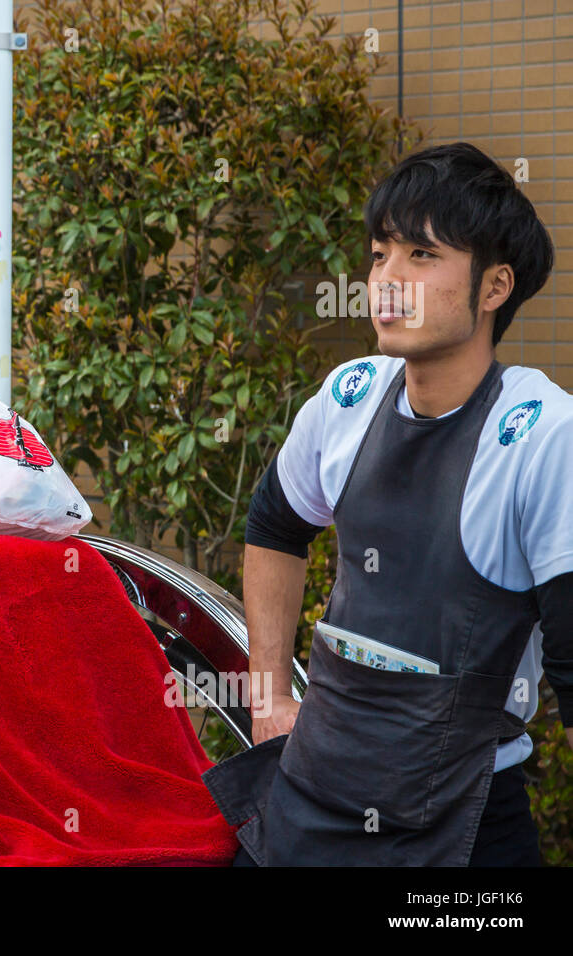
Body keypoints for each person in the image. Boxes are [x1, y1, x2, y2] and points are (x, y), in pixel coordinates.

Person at [203, 142, 570, 866]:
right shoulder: (348, 396)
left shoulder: (540, 432)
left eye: (421, 258)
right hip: (309, 794)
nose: (386, 282)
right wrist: (271, 695)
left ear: (494, 287)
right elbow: (275, 524)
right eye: (379, 255)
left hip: (461, 819)